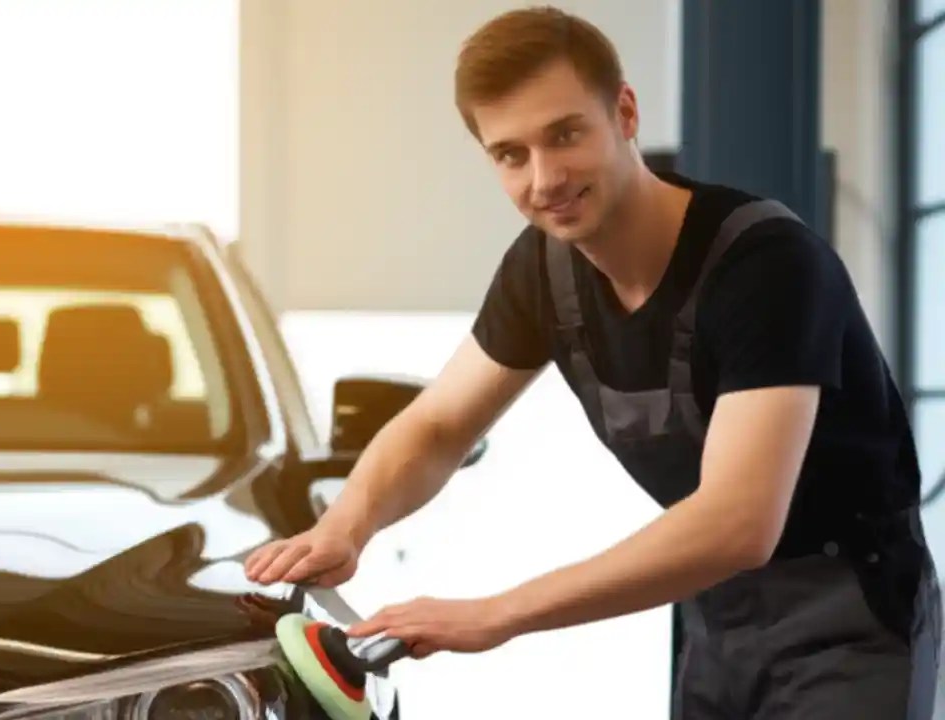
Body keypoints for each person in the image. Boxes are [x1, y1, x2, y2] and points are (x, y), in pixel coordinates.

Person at [243, 5, 942, 718]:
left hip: (851, 622)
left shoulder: (766, 265)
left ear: (626, 113)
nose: (544, 179)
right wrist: (347, 527)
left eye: (566, 134)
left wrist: (497, 614)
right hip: (717, 621)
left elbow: (738, 522)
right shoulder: (543, 272)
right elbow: (438, 426)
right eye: (510, 154)